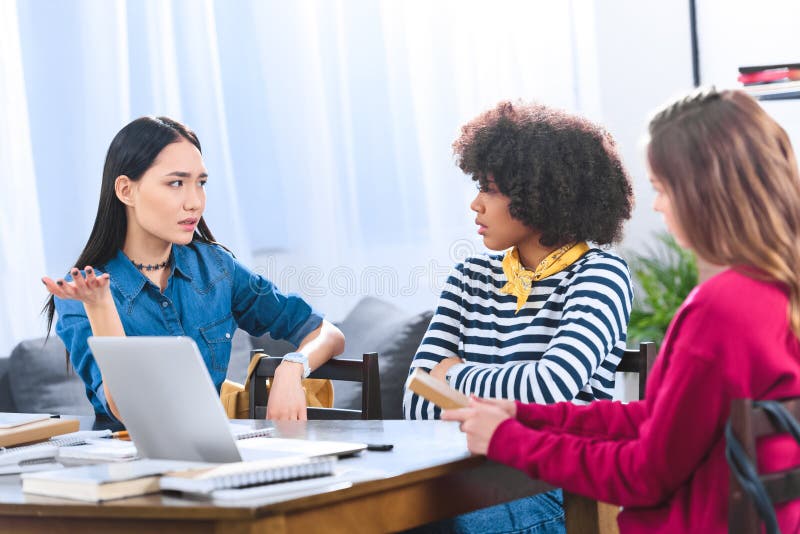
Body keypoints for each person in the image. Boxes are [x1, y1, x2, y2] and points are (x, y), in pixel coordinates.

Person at [443, 88, 800, 532]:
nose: (657, 205)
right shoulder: (775, 292)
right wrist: (526, 415)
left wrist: (507, 441)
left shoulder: (720, 308)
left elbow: (644, 475)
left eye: (662, 189)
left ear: (703, 194)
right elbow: (656, 419)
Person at [403, 101, 634, 533]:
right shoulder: (470, 276)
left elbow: (549, 387)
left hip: (556, 486)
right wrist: (456, 382)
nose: (475, 205)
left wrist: (452, 375)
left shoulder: (599, 275)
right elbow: (415, 398)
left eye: (490, 190)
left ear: (541, 194)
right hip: (468, 475)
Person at [42, 116, 344, 422]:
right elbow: (127, 410)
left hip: (213, 448)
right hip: (127, 451)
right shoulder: (81, 295)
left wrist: (293, 367)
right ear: (126, 190)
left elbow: (327, 333)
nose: (195, 202)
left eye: (201, 183)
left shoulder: (217, 268)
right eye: (176, 183)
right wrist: (100, 307)